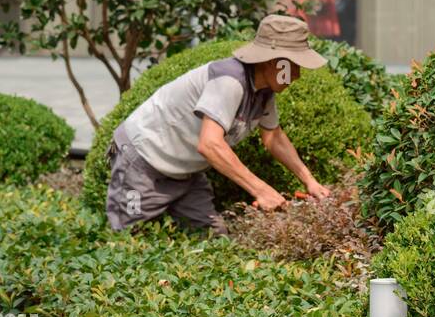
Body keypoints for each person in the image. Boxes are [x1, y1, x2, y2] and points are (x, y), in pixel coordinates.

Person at [105, 15, 334, 233]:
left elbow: (273, 137)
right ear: (275, 62)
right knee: (129, 239)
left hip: (186, 172)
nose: (297, 75)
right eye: (294, 65)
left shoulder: (264, 92)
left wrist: (310, 181)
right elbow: (210, 145)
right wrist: (261, 190)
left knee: (213, 238)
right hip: (142, 160)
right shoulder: (229, 80)